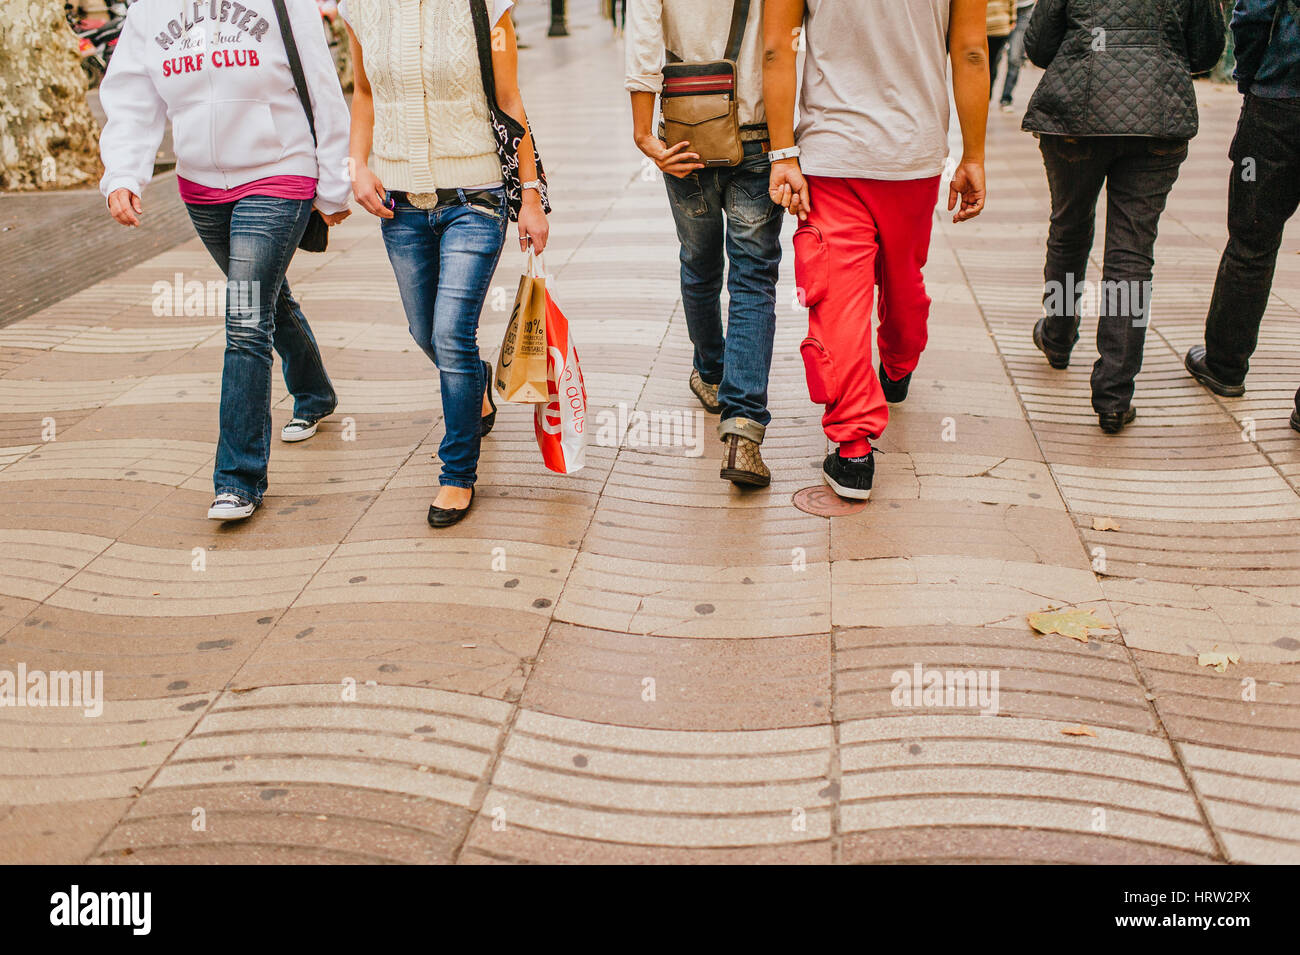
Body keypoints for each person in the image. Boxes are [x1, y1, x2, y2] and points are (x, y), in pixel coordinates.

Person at [99, 0, 353, 522]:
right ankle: (314, 393)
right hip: (202, 188)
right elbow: (132, 94)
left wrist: (333, 185)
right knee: (264, 300)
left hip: (279, 170)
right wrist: (123, 173)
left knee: (244, 316)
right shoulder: (152, 8)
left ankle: (237, 480)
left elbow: (321, 84)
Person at [763, 0, 990, 501]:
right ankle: (899, 364)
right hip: (914, 156)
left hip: (831, 155)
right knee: (905, 277)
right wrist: (972, 155)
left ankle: (853, 450)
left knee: (838, 301)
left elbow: (779, 49)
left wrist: (782, 153)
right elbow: (971, 52)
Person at [343, 0, 549, 528]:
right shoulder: (360, 8)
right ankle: (475, 386)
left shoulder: (487, 6)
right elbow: (363, 92)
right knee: (423, 331)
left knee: (452, 333)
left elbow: (508, 99)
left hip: (475, 197)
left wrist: (529, 196)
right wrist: (358, 167)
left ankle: (456, 474)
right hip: (399, 203)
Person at [1023, 0, 1225, 434]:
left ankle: (1057, 336)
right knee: (1131, 256)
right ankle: (1114, 396)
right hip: (1157, 119)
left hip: (1075, 117)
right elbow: (1207, 52)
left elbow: (1039, 47)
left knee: (1069, 229)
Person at [627, 0, 782, 488]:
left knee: (699, 263)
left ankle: (711, 375)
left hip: (683, 139)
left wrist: (643, 136)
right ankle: (742, 431)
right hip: (757, 134)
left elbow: (643, 46)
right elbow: (785, 45)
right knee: (753, 277)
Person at [1185, 0, 1300, 434]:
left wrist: (1252, 79)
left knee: (1252, 241)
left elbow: (1252, 14)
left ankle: (1225, 365)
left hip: (1279, 104)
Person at [999, 1, 1036, 112]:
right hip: (1001, 9)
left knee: (1014, 58)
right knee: (992, 57)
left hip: (1024, 10)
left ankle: (1006, 97)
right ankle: (986, 95)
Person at [986, 0, 1017, 100]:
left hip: (1001, 30)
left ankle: (991, 96)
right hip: (985, 28)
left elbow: (1012, 3)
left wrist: (1012, 19)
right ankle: (987, 95)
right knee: (987, 64)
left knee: (994, 63)